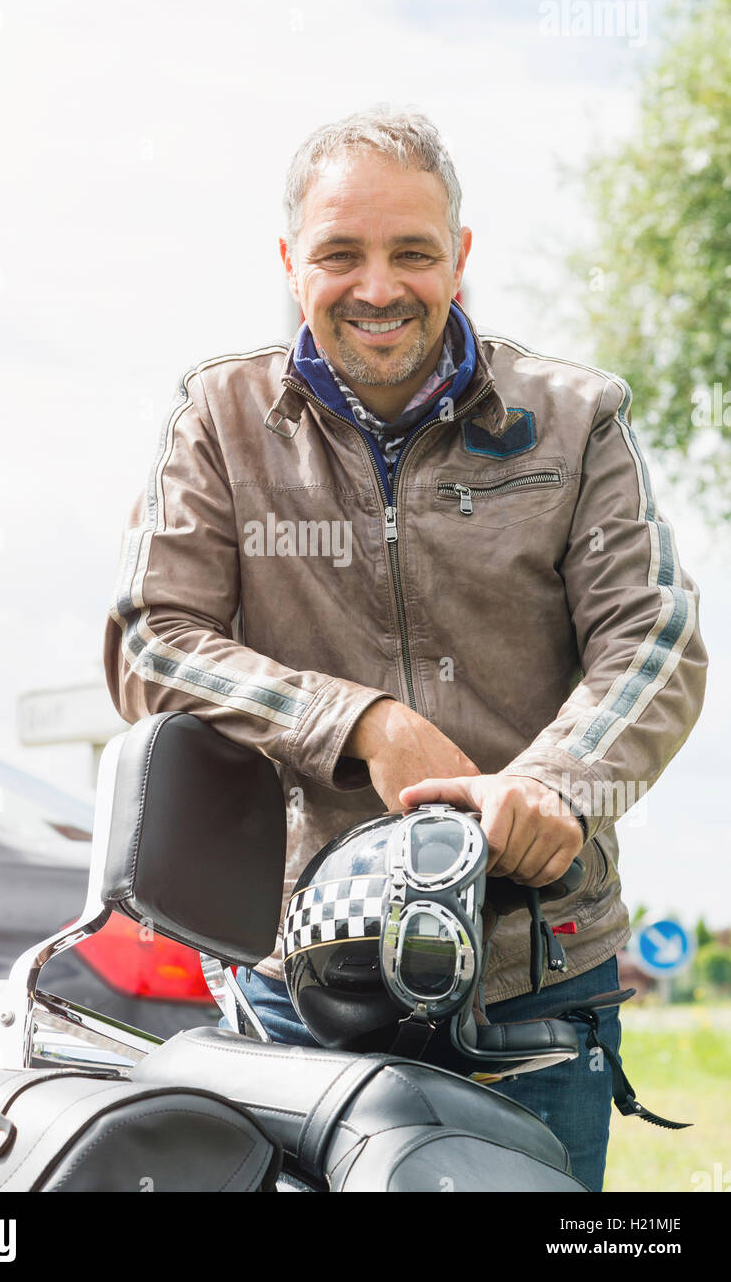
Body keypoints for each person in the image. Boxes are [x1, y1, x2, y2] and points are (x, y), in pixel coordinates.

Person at [103, 106, 707, 1192]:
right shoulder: (218, 417)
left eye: (411, 253)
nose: (377, 287)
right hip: (296, 992)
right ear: (291, 263)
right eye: (340, 253)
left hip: (536, 980)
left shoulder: (576, 420)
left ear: (460, 259)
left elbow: (652, 635)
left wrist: (554, 785)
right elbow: (150, 638)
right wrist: (353, 723)